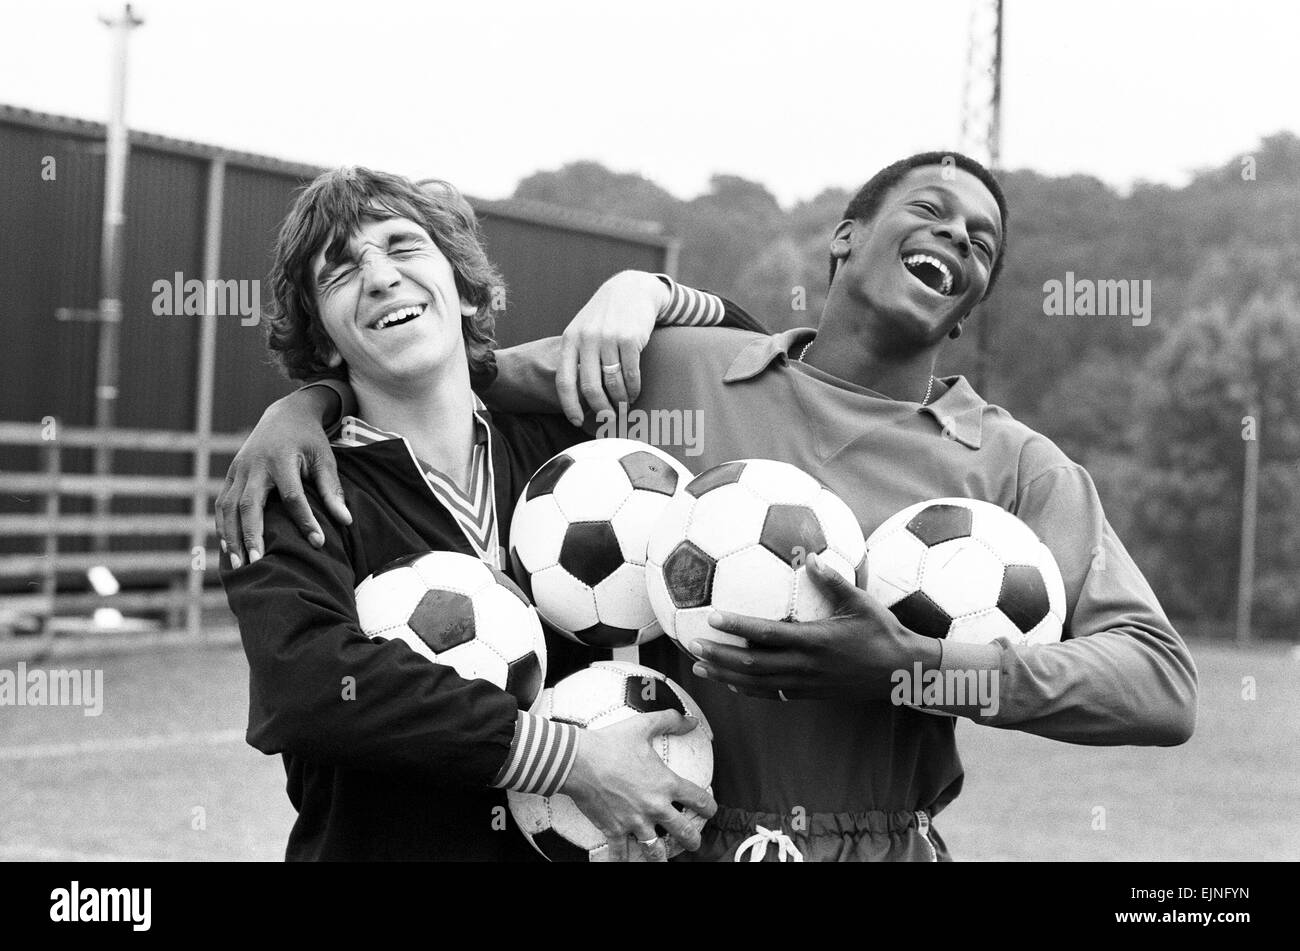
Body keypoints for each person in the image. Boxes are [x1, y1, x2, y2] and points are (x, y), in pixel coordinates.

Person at [220, 152, 1197, 862]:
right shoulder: (666, 379)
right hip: (661, 838)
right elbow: (441, 371)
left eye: (981, 239)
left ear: (977, 295)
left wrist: (916, 672)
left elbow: (1156, 689)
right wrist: (305, 403)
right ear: (844, 238)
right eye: (933, 208)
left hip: (861, 841)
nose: (957, 235)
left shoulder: (1018, 468)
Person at [219, 165, 727, 861]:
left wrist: (649, 292)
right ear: (327, 342)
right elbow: (303, 683)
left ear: (461, 286)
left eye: (403, 247)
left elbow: (755, 376)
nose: (379, 276)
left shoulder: (581, 451)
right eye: (337, 273)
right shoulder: (293, 481)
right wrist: (566, 759)